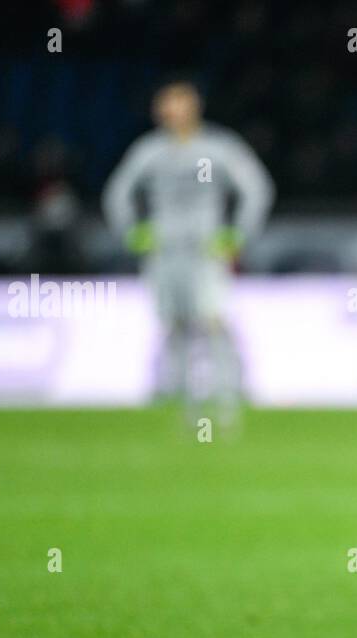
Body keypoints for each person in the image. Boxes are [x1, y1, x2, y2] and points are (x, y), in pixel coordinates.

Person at [103, 79, 274, 423]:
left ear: (194, 107)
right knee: (173, 323)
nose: (171, 112)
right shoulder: (149, 151)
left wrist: (238, 234)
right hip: (164, 252)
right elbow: (117, 193)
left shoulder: (218, 148)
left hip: (203, 251)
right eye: (165, 105)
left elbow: (257, 188)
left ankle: (230, 393)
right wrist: (132, 232)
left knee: (213, 320)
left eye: (178, 104)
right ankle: (175, 397)